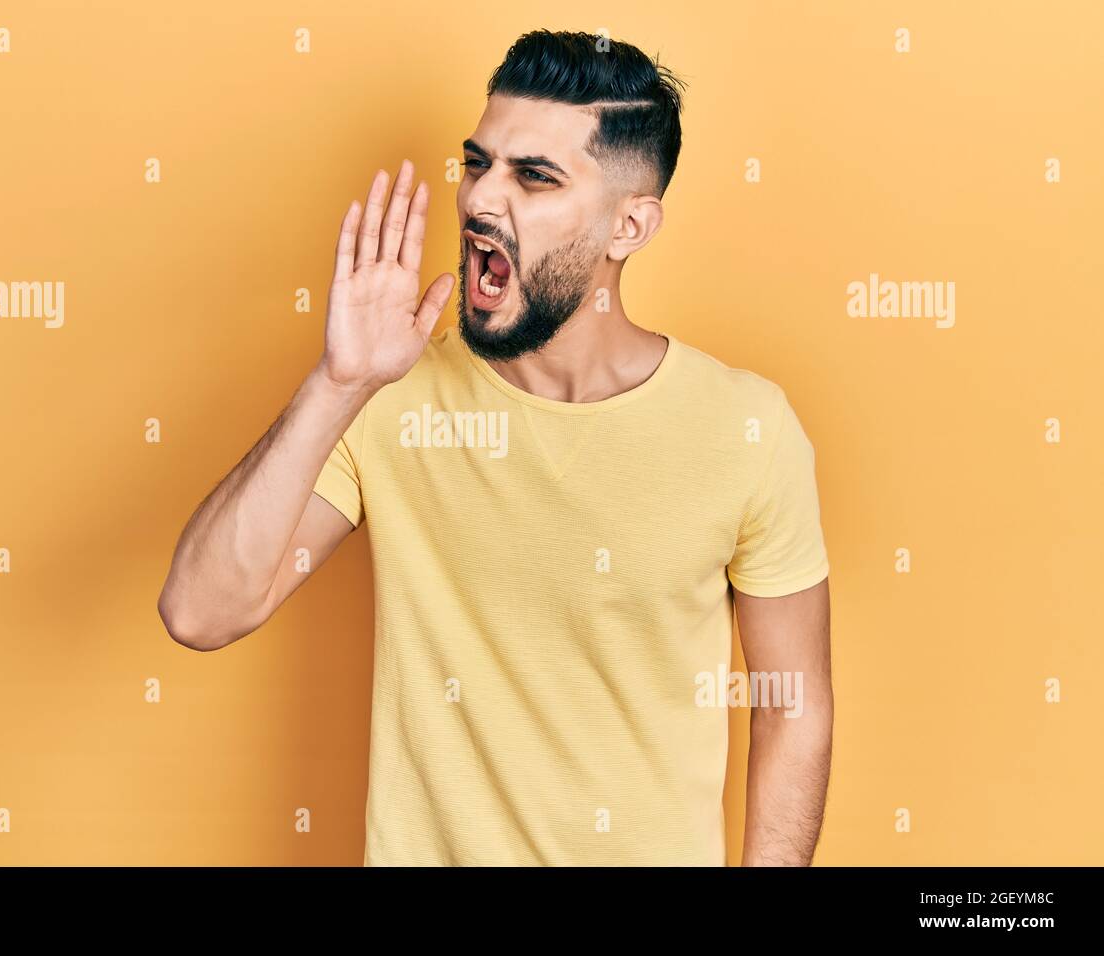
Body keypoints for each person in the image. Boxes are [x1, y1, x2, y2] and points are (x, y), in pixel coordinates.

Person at [159, 29, 832, 866]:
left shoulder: (748, 429)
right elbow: (201, 612)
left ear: (630, 225)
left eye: (534, 176)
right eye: (477, 163)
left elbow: (792, 703)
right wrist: (339, 384)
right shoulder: (387, 403)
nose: (480, 199)